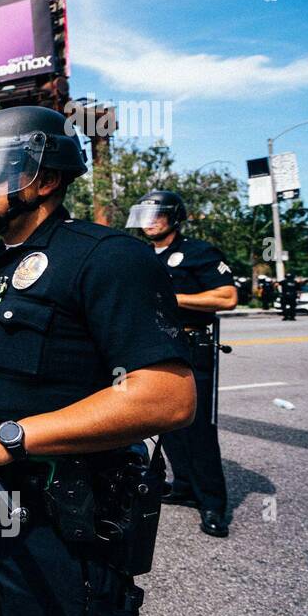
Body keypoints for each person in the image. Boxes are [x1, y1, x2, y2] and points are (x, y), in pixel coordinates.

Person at [0, 106, 195, 616]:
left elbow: (167, 398)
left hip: (65, 521)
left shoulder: (108, 257)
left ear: (45, 178)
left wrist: (11, 438)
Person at [127, 189, 238, 538]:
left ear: (174, 218)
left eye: (157, 215)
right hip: (157, 345)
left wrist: (175, 298)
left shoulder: (197, 252)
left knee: (199, 428)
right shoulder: (140, 255)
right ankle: (186, 485)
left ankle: (213, 504)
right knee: (168, 421)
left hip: (192, 343)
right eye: (145, 215)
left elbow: (228, 296)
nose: (150, 222)